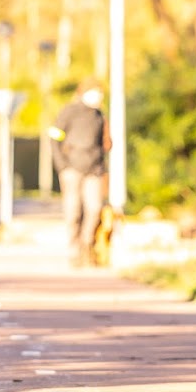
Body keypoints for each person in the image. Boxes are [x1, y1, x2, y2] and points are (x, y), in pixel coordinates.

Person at [48, 79, 113, 267]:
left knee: (94, 209)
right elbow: (54, 136)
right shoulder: (70, 111)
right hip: (71, 168)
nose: (99, 96)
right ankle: (74, 249)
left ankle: (87, 245)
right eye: (96, 92)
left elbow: (105, 142)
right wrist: (62, 164)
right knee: (73, 210)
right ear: (84, 92)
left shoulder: (99, 115)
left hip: (94, 169)